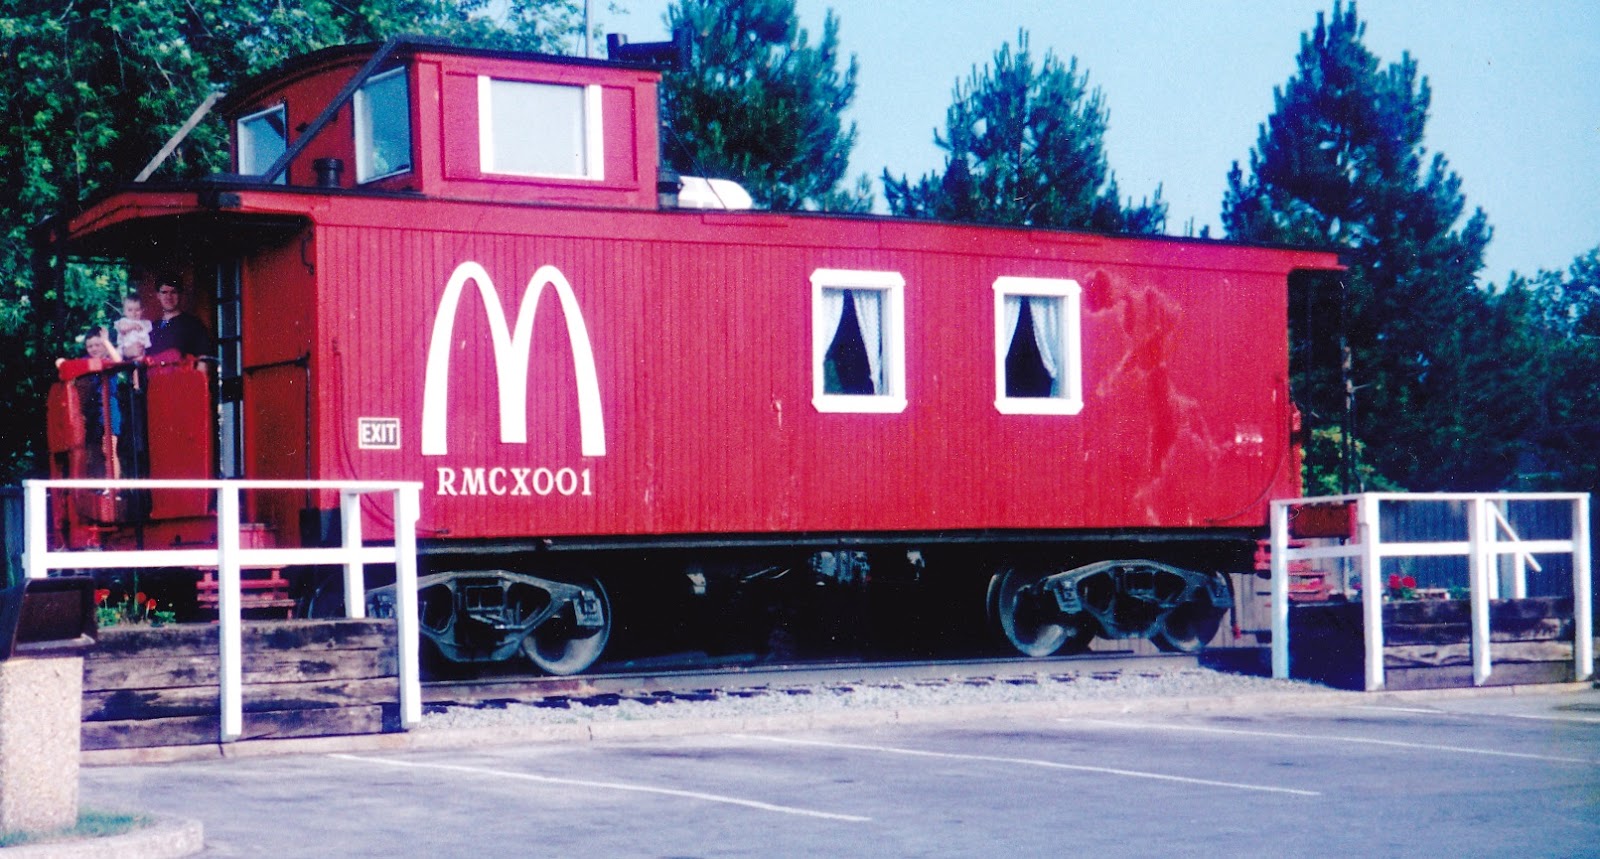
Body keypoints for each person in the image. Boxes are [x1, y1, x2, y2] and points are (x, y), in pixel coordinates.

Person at [149, 281, 212, 358]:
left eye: (173, 292)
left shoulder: (194, 324)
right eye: (164, 292)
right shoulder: (151, 327)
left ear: (180, 294)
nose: (169, 297)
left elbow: (203, 361)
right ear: (158, 295)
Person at [113, 293, 153, 359]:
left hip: (141, 348)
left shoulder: (145, 323)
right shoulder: (124, 321)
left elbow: (150, 333)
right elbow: (122, 328)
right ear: (124, 311)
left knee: (142, 360)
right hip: (126, 345)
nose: (133, 313)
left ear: (142, 310)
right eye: (130, 310)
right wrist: (133, 326)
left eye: (137, 310)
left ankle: (137, 368)